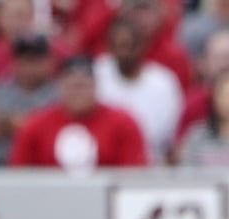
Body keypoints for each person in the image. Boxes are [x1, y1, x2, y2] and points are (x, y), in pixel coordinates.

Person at [10, 55, 147, 168]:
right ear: (60, 87)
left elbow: (135, 174)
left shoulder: (123, 123)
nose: (78, 93)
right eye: (73, 86)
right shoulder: (35, 125)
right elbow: (20, 174)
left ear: (95, 86)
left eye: (83, 86)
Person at [94, 15, 182, 162]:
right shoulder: (97, 74)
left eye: (130, 45)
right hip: (104, 164)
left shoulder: (164, 83)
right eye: (119, 46)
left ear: (142, 46)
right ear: (110, 46)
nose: (125, 53)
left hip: (151, 166)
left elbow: (170, 139)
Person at [0, 32, 57, 167]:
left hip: (43, 167)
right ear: (14, 62)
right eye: (25, 59)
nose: (30, 66)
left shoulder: (58, 93)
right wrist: (18, 122)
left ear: (49, 62)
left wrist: (6, 122)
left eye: (36, 60)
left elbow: (49, 131)